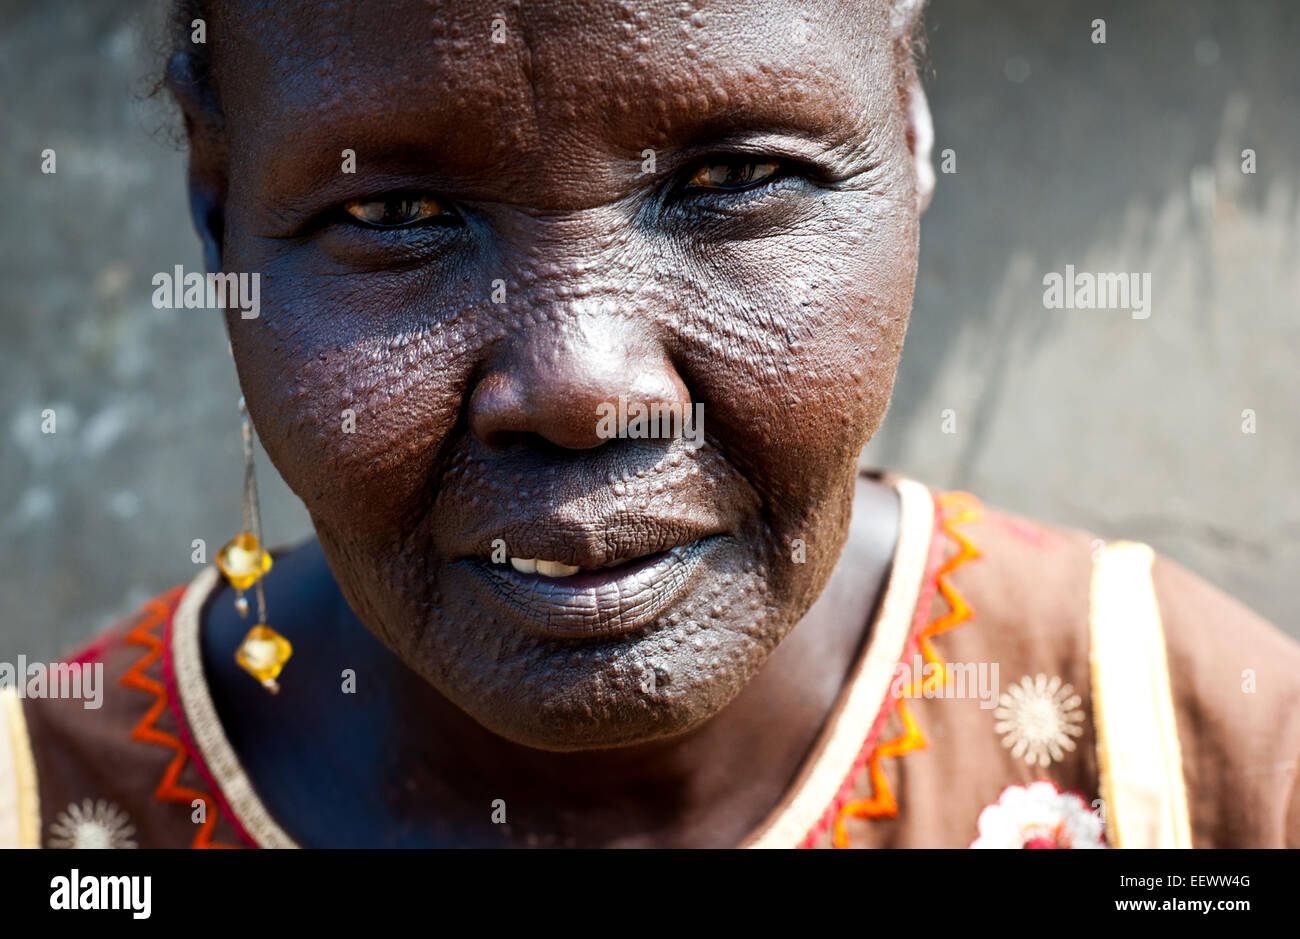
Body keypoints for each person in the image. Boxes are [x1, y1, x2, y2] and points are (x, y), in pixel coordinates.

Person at [2, 0, 1297, 849]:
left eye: (735, 182)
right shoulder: (52, 821)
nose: (583, 384)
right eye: (394, 218)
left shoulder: (1203, 775)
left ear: (911, 143)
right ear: (218, 216)